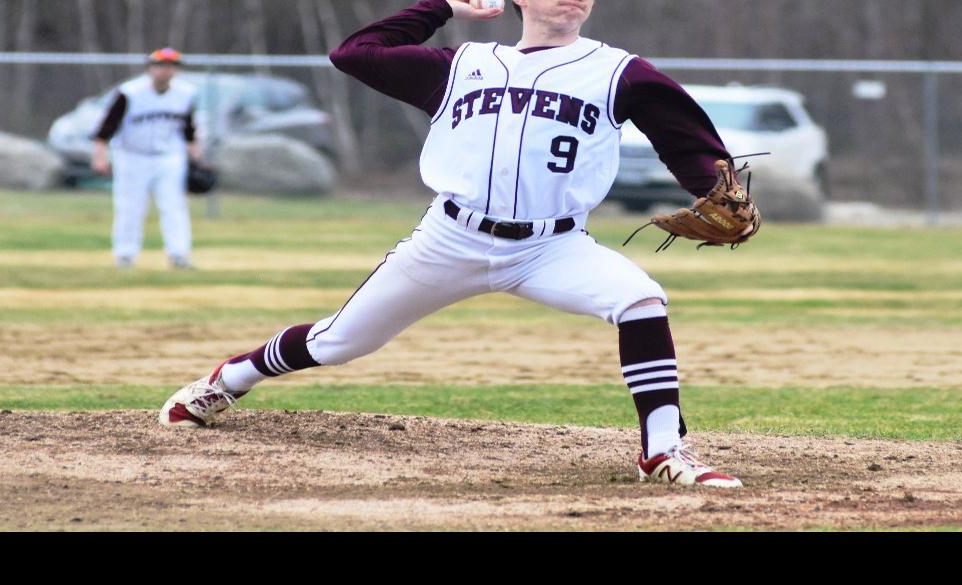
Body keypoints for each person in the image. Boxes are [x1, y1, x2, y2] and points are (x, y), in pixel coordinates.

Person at [159, 0, 746, 487]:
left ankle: (663, 449)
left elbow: (686, 142)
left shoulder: (620, 72)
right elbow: (353, 55)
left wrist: (715, 189)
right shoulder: (461, 64)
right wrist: (440, 7)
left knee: (639, 298)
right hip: (449, 239)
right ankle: (231, 379)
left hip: (553, 246)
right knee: (339, 341)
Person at [92, 47, 202, 269]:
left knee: (174, 207)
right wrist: (100, 156)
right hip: (132, 156)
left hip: (169, 157)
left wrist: (197, 158)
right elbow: (105, 129)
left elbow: (189, 130)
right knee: (129, 207)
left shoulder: (185, 93)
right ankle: (125, 255)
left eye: (171, 66)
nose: (165, 70)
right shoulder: (130, 92)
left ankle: (179, 254)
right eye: (160, 65)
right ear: (150, 68)